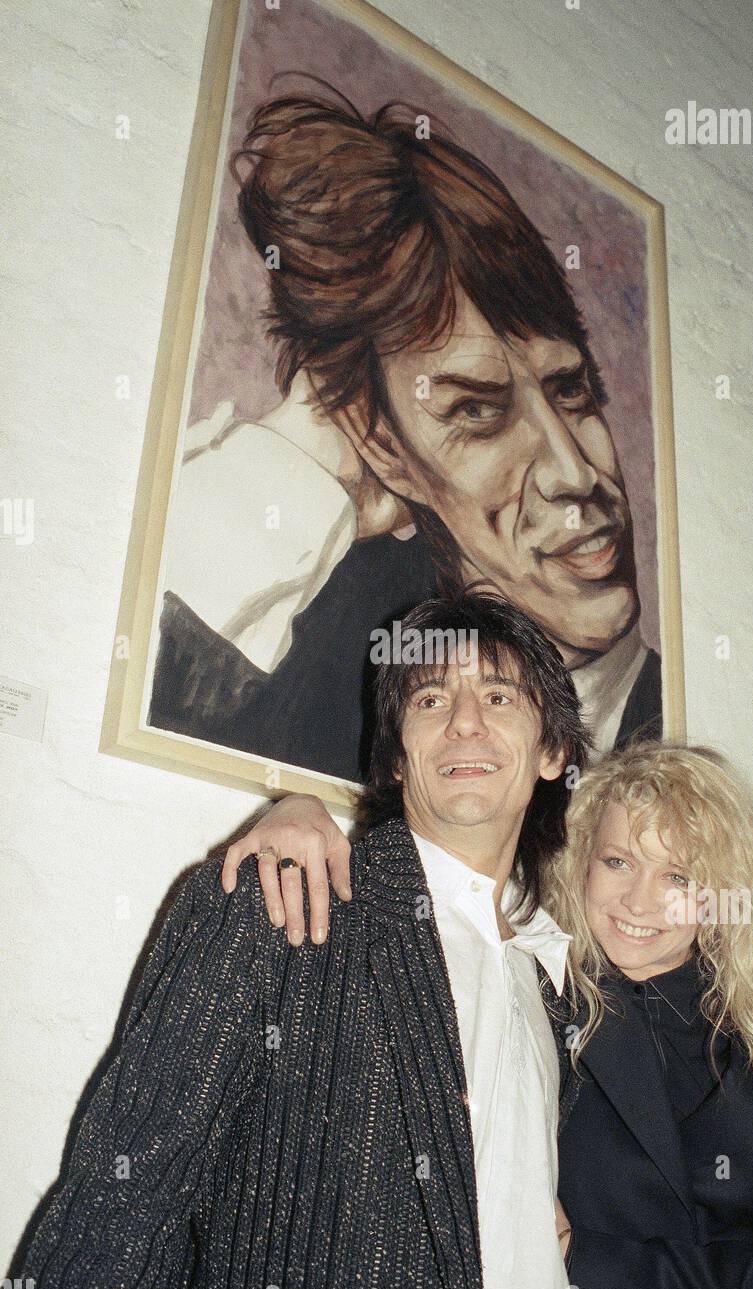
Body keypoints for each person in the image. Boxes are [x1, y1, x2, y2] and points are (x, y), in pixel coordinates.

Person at [16, 590, 589, 1289]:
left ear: (552, 751)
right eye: (432, 700)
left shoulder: (547, 978)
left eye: (500, 697)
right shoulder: (283, 900)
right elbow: (125, 1196)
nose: (465, 722)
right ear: (395, 763)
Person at [150, 83, 661, 779]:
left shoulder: (672, 727)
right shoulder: (323, 662)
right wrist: (297, 461)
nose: (574, 474)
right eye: (478, 412)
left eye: (570, 391)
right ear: (383, 445)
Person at [234, 744, 753, 1289]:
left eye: (677, 877)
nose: (639, 901)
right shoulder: (533, 993)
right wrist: (300, 809)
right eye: (618, 862)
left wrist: (586, 1258)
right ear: (583, 863)